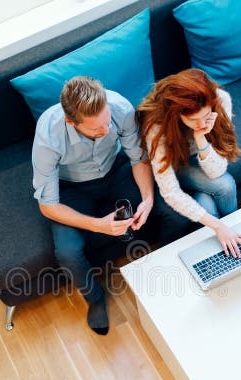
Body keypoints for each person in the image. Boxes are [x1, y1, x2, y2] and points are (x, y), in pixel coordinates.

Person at [32, 76, 190, 335]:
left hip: (117, 169)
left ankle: (168, 261)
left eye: (107, 123)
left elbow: (138, 158)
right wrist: (97, 225)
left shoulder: (119, 106)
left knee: (174, 211)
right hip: (71, 188)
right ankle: (94, 300)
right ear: (72, 122)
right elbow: (47, 205)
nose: (105, 130)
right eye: (96, 129)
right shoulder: (48, 135)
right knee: (68, 252)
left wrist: (148, 198)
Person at [137, 68, 241, 257]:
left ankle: (234, 236)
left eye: (206, 116)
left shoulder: (221, 100)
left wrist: (201, 138)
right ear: (177, 115)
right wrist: (218, 226)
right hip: (170, 164)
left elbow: (217, 171)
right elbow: (170, 192)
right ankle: (225, 239)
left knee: (211, 200)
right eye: (193, 120)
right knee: (222, 191)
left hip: (198, 159)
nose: (202, 123)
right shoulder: (157, 126)